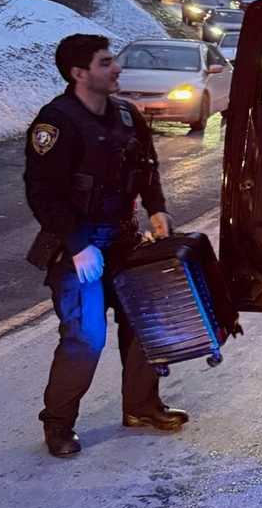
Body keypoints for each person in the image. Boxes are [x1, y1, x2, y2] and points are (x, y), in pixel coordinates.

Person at [24, 33, 189, 457]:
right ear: (80, 73)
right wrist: (79, 245)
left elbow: (147, 169)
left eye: (112, 60)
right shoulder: (56, 122)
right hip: (78, 246)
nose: (115, 68)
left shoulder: (127, 116)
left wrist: (157, 209)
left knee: (142, 323)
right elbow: (42, 192)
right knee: (85, 337)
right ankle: (58, 425)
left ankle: (141, 407)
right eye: (105, 62)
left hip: (124, 239)